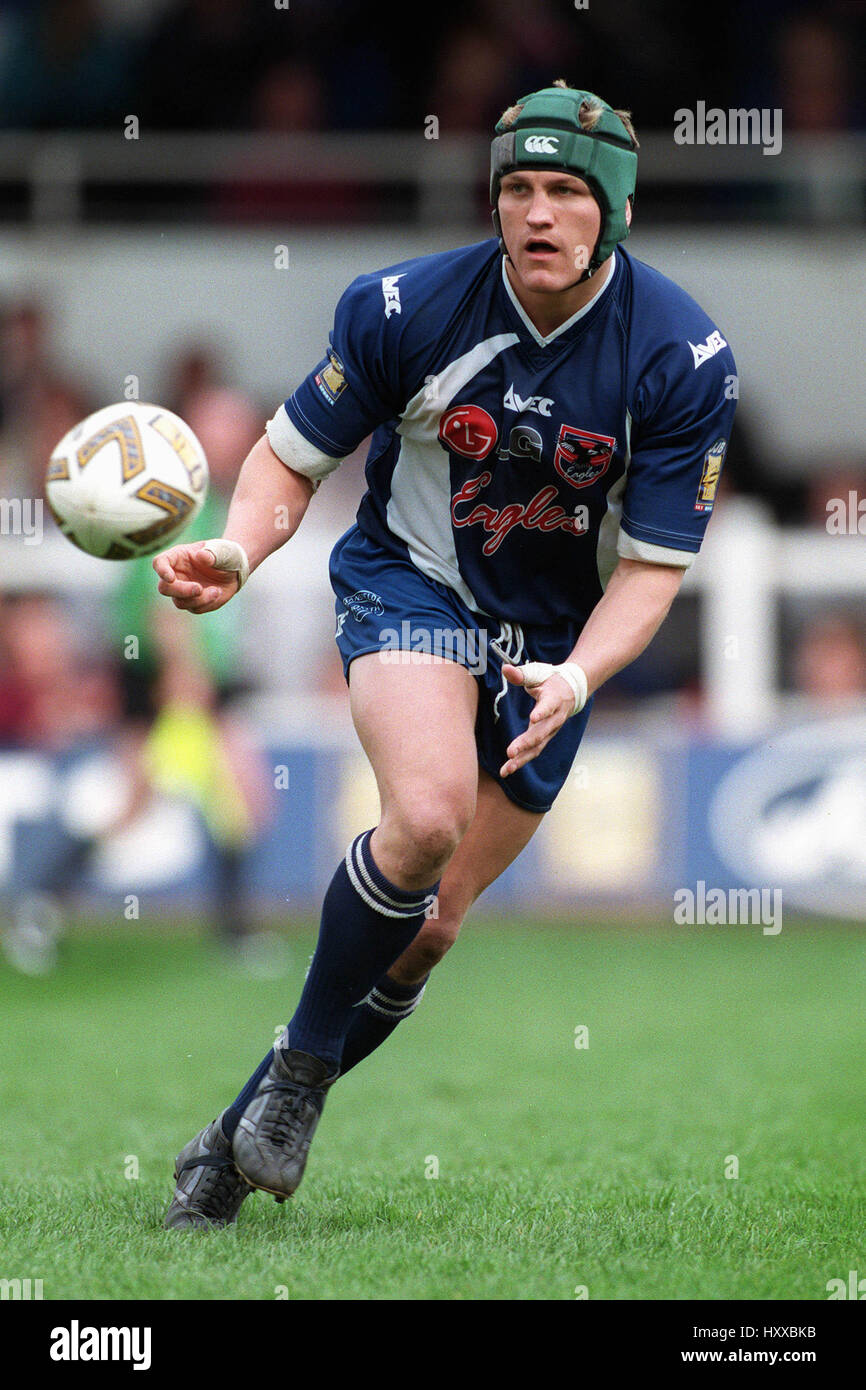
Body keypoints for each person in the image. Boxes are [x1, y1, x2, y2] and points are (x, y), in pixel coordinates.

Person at [154, 81, 737, 1229]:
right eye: (516, 188)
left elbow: (651, 571)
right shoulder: (403, 306)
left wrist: (575, 678)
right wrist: (238, 544)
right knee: (419, 820)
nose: (535, 212)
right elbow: (287, 458)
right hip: (407, 585)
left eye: (564, 191)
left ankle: (235, 1133)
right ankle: (304, 1081)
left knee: (429, 925)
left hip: (556, 648)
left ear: (610, 209)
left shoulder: (682, 357)